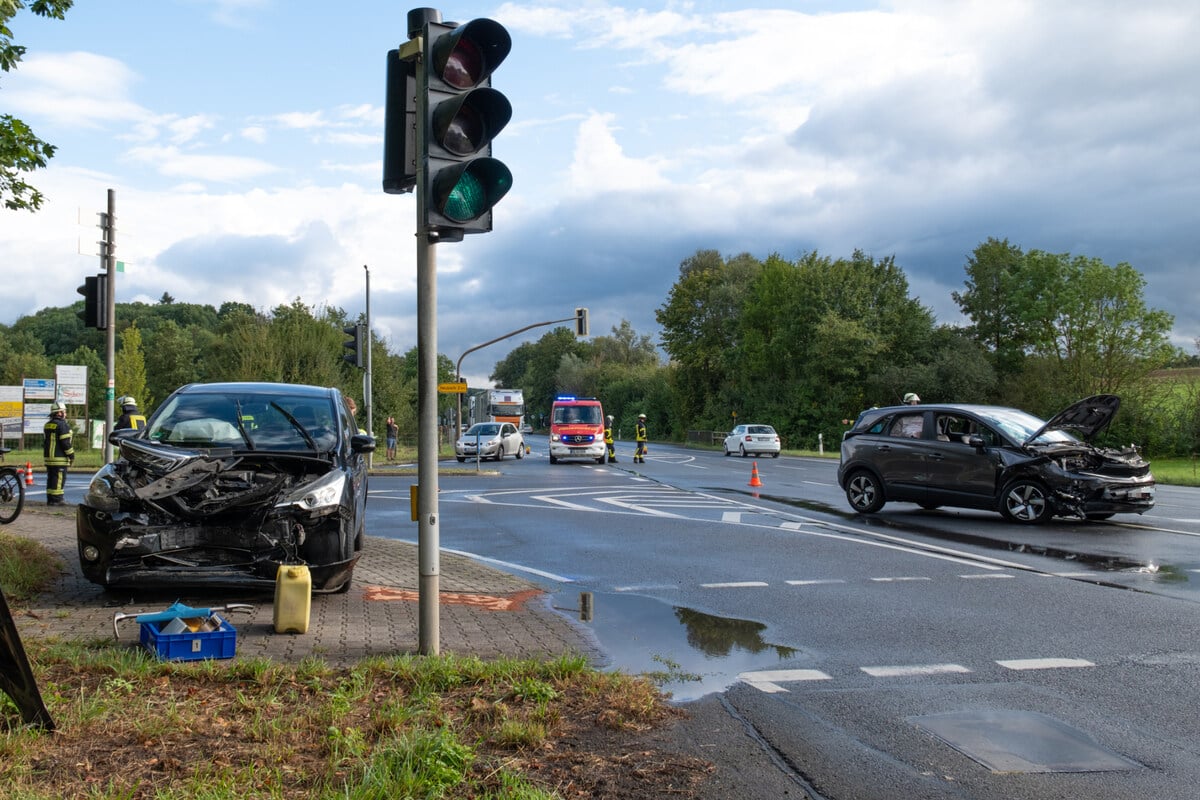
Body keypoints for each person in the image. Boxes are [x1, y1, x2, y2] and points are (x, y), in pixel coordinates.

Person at [43, 401, 75, 505]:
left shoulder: (48, 425)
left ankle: (50, 499)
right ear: (59, 413)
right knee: (59, 479)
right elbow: (65, 443)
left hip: (49, 458)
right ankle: (57, 500)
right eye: (64, 411)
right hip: (59, 458)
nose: (65, 413)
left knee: (51, 478)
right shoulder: (62, 425)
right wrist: (71, 455)